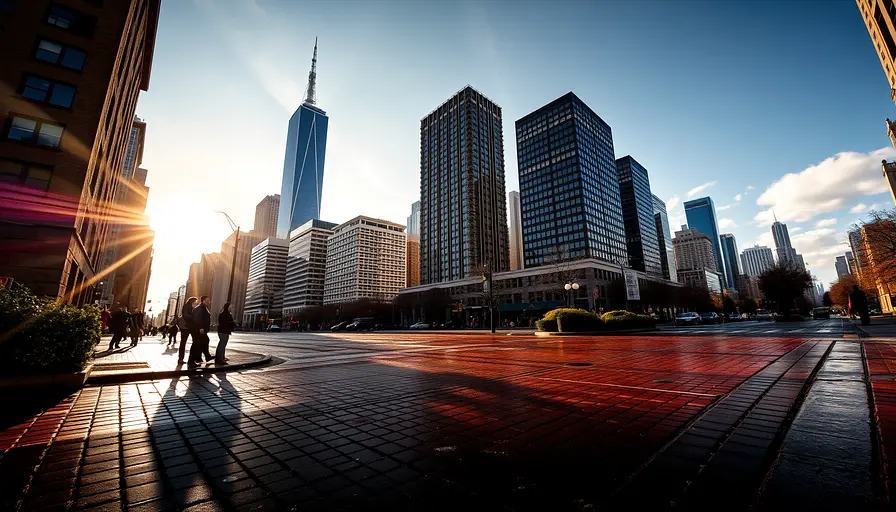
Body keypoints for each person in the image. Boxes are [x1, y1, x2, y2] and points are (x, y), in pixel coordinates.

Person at [189, 295, 213, 367]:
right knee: (196, 345)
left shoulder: (203, 308)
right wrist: (201, 328)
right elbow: (198, 319)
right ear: (203, 301)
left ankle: (203, 357)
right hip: (198, 330)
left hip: (199, 330)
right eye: (207, 300)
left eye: (209, 300)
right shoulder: (200, 308)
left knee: (204, 341)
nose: (209, 301)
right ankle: (191, 361)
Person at [178, 297, 197, 364]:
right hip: (185, 327)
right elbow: (186, 315)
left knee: (193, 341)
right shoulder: (187, 306)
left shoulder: (190, 306)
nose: (195, 303)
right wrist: (194, 316)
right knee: (183, 342)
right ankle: (181, 359)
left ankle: (187, 359)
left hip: (189, 326)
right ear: (192, 301)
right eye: (195, 301)